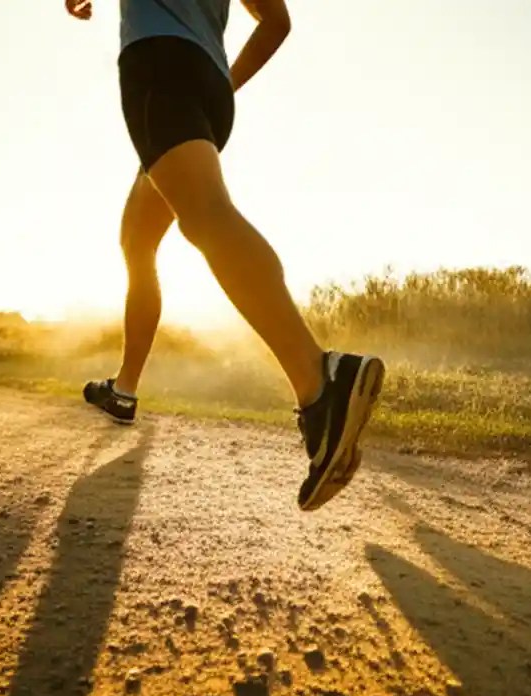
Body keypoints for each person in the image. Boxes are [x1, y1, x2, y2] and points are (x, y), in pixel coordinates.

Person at [65, 0, 385, 511]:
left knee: (205, 216)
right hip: (209, 86)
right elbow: (276, 22)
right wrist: (223, 81)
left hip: (156, 64)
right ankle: (123, 389)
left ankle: (319, 380)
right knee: (138, 241)